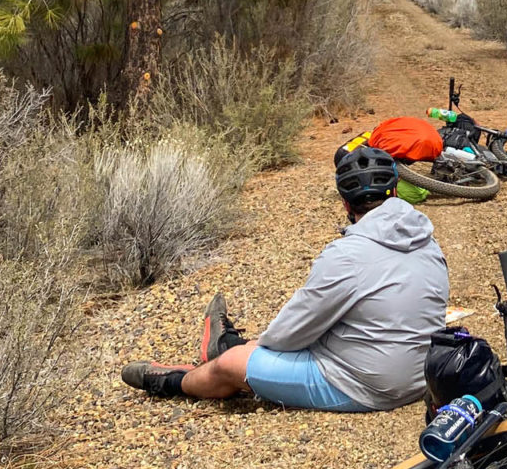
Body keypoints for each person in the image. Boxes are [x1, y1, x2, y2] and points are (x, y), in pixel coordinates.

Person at [120, 147, 449, 411]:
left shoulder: (348, 254)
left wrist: (253, 348)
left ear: (346, 203)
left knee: (232, 364)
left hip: (369, 386)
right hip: (422, 378)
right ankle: (222, 345)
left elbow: (289, 334)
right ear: (394, 191)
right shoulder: (427, 239)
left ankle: (175, 379)